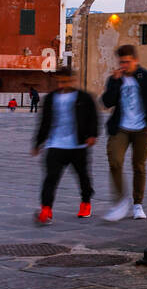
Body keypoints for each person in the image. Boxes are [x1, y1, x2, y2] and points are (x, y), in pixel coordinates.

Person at [101, 44, 147, 221]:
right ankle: (121, 202)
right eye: (121, 62)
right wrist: (114, 82)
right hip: (120, 127)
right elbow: (107, 102)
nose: (124, 65)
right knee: (114, 161)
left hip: (142, 129)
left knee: (139, 165)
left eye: (127, 62)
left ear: (135, 60)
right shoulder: (116, 79)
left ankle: (138, 204)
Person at [32, 66, 99, 224]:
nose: (62, 85)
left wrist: (92, 135)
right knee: (50, 178)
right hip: (55, 144)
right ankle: (46, 209)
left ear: (72, 80)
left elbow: (93, 118)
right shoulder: (50, 99)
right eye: (59, 82)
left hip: (78, 145)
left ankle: (85, 203)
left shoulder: (84, 98)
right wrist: (38, 143)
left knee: (83, 177)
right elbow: (44, 123)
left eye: (65, 81)